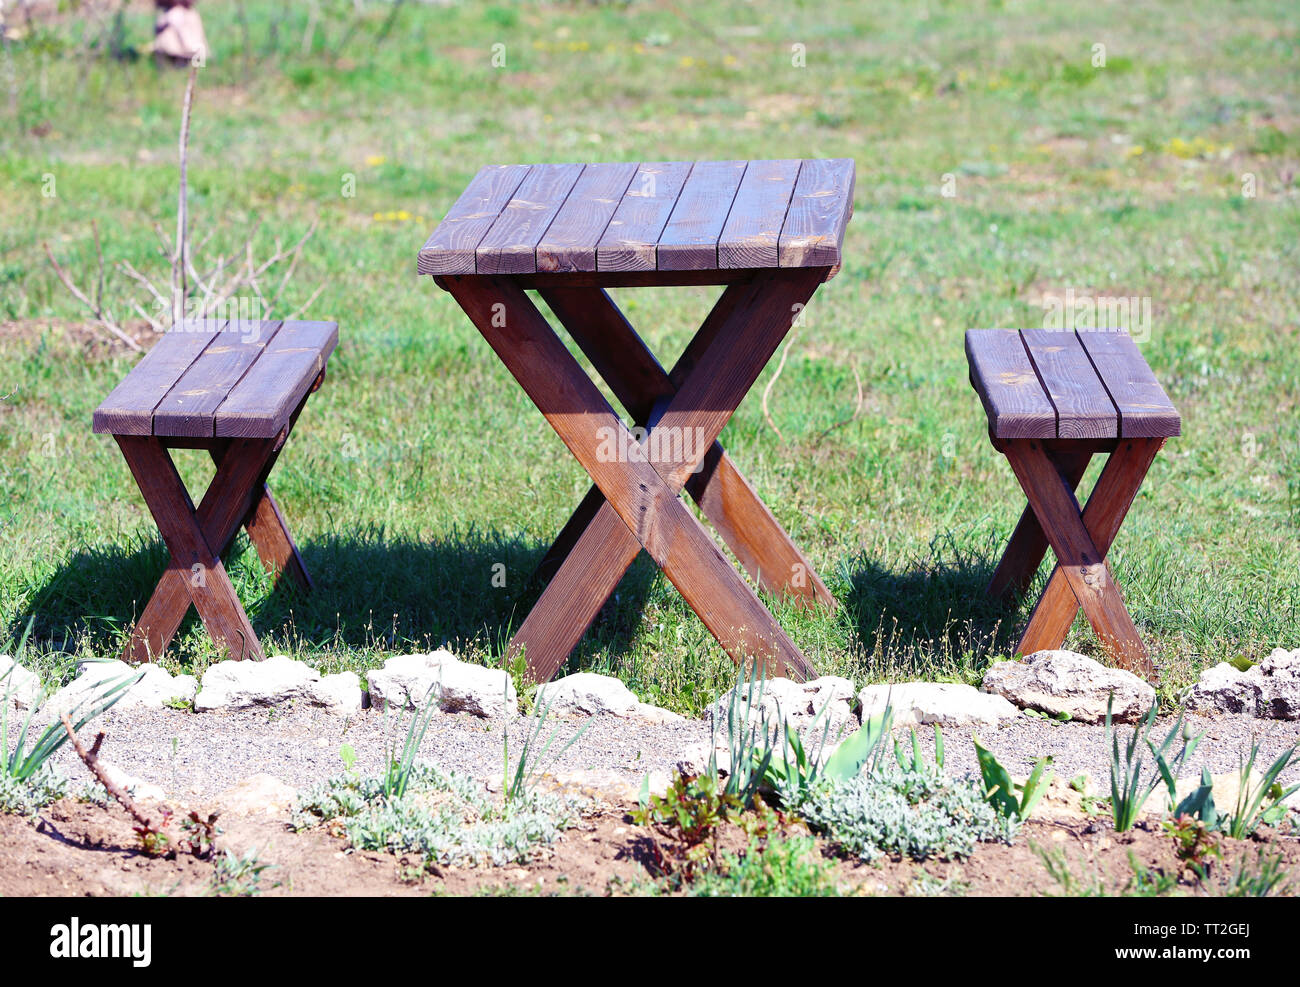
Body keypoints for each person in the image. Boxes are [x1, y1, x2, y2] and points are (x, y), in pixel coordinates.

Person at [153, 0, 208, 66]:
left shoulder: (175, 13)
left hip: (182, 54)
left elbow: (184, 36)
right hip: (192, 52)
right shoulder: (191, 13)